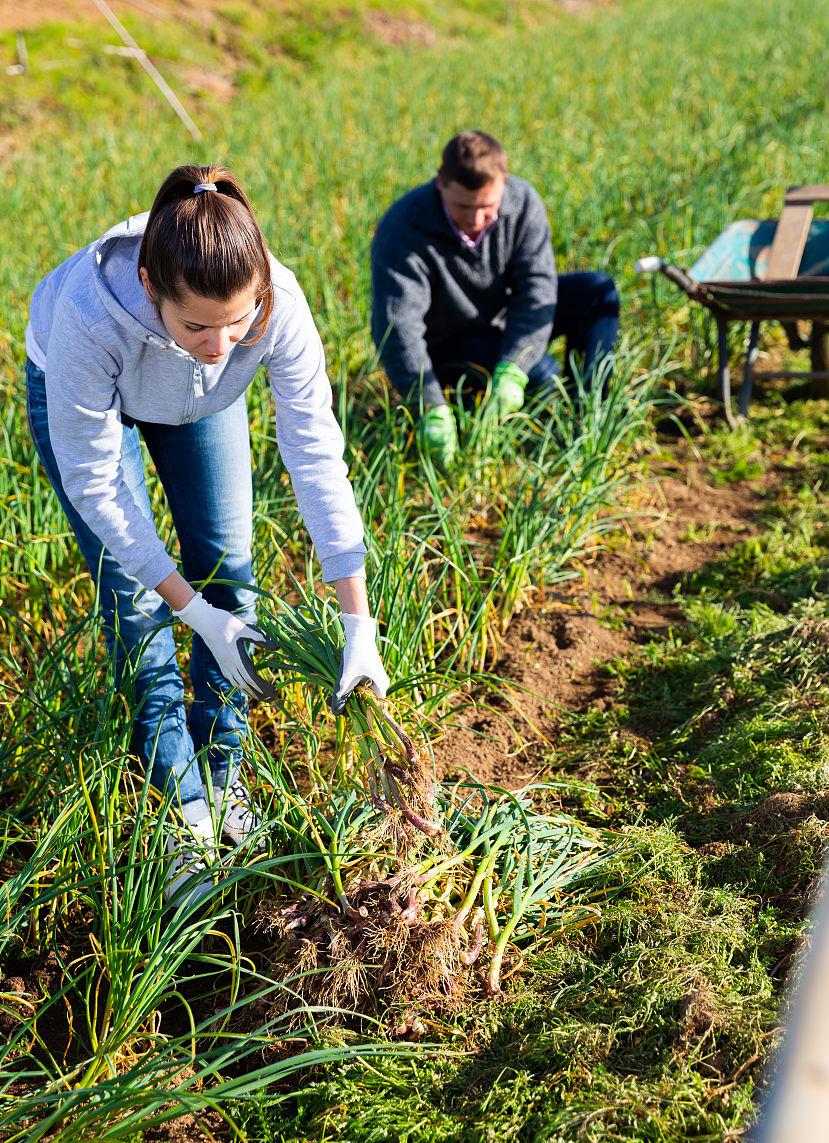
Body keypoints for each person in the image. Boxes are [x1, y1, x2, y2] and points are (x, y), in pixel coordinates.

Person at [25, 163, 389, 907]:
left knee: (230, 571)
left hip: (199, 402)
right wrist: (188, 610)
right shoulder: (91, 317)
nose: (222, 344)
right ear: (151, 285)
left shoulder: (276, 305)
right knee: (136, 606)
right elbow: (96, 485)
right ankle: (182, 812)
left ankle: (225, 778)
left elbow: (314, 451)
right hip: (92, 391)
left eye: (238, 322)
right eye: (197, 325)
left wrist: (359, 624)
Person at [370, 129, 620, 471]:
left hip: (502, 316)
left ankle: (586, 421)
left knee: (597, 291)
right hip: (449, 341)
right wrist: (428, 404)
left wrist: (514, 366)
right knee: (543, 372)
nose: (475, 220)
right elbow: (399, 327)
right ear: (440, 184)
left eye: (487, 207)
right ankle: (526, 440)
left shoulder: (522, 202)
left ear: (504, 184)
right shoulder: (404, 226)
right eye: (462, 206)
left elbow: (537, 290)